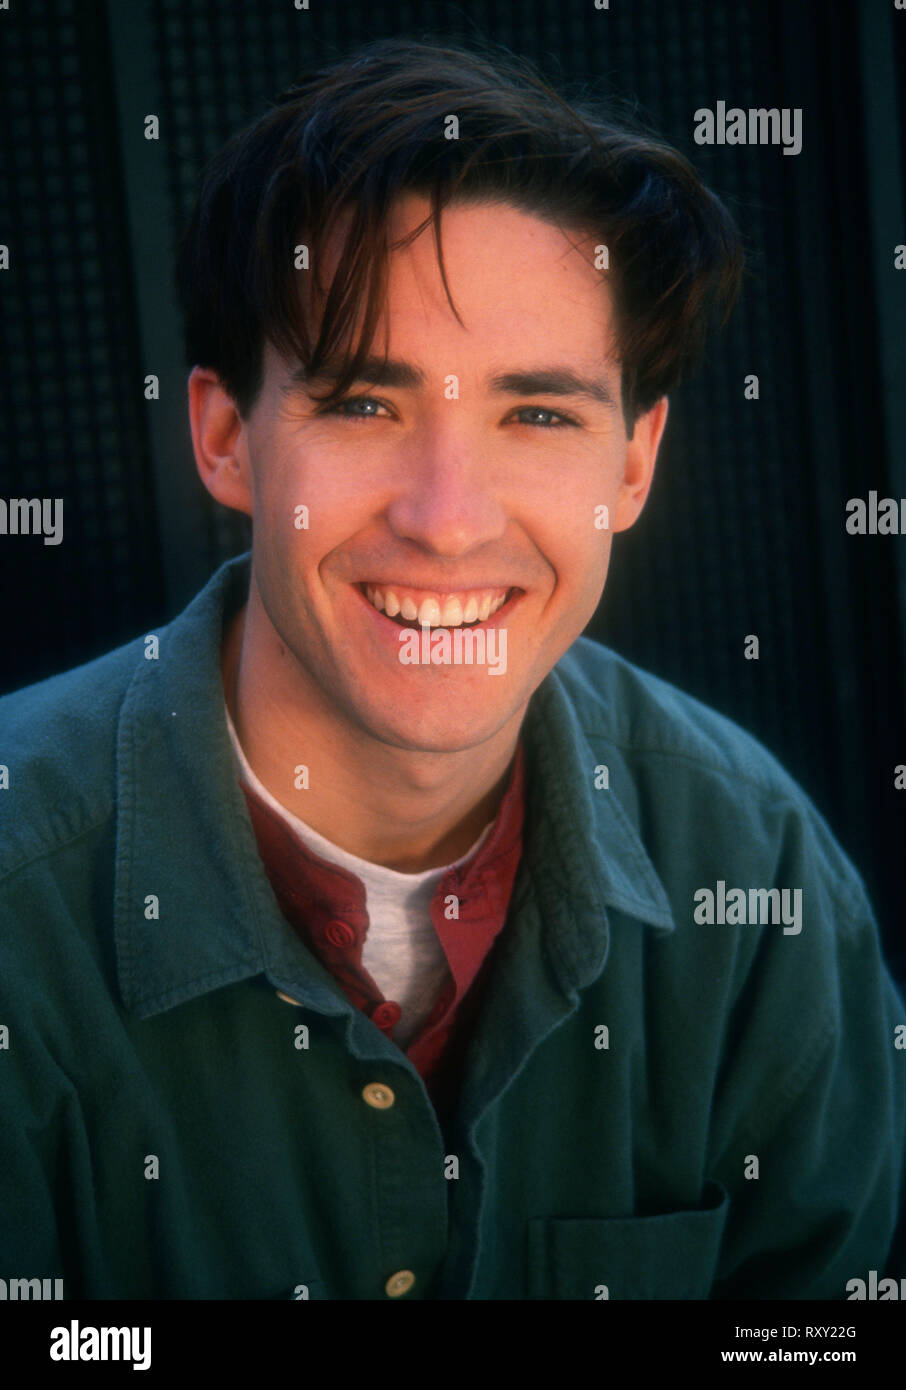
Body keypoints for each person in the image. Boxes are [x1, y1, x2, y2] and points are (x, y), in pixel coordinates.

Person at [1, 37, 903, 1302]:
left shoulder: (758, 877)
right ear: (223, 439)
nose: (447, 517)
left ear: (632, 467)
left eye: (538, 415)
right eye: (365, 404)